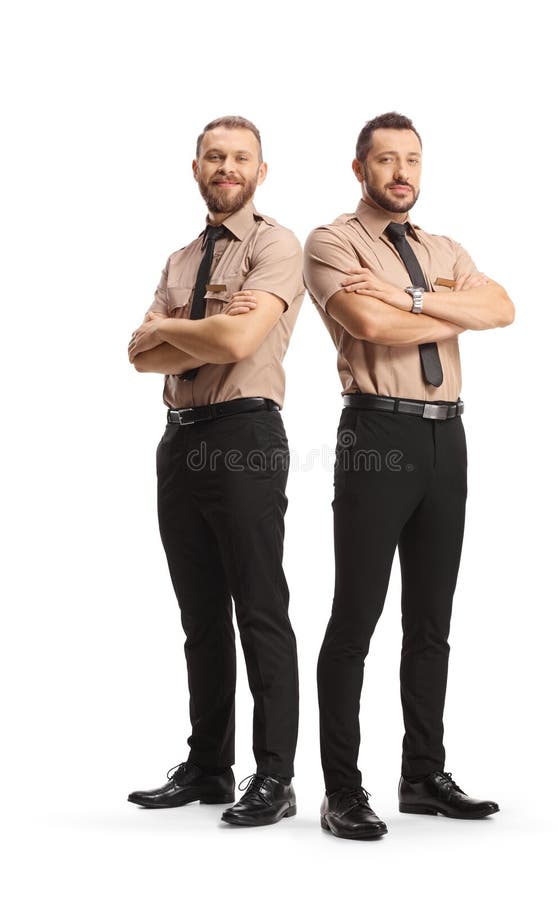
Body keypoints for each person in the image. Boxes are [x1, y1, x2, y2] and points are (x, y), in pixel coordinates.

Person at [303, 111, 514, 840]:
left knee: (432, 620)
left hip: (446, 436)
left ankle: (423, 774)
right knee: (356, 618)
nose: (402, 173)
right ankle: (342, 790)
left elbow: (503, 308)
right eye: (386, 160)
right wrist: (441, 312)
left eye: (412, 160)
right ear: (360, 169)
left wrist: (413, 296)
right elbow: (372, 328)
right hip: (377, 431)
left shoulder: (443, 247)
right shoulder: (333, 241)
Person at [127, 115, 303, 827]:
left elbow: (236, 337)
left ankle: (276, 777)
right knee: (200, 615)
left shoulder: (275, 245)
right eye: (214, 156)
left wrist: (170, 328)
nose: (226, 167)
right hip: (179, 440)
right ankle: (208, 767)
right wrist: (179, 334)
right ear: (196, 168)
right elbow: (139, 357)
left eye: (240, 158)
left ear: (261, 171)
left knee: (260, 609)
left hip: (244, 434)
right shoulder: (178, 260)